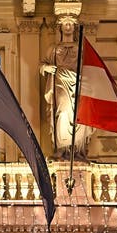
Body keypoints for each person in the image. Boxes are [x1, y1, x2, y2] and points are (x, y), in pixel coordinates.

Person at [40, 17, 93, 158]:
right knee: (63, 112)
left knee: (79, 115)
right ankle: (63, 149)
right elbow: (43, 64)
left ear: (74, 27)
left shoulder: (80, 47)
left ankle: (77, 150)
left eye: (70, 23)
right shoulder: (53, 48)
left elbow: (89, 66)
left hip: (79, 83)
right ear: (60, 27)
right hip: (60, 82)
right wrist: (46, 67)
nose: (68, 26)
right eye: (65, 24)